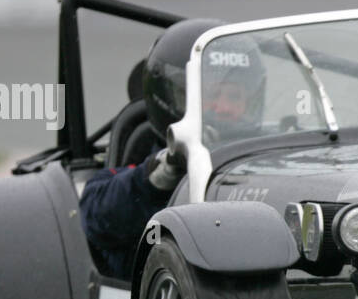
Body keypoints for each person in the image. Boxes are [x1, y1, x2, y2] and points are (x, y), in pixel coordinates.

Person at [79, 18, 266, 279]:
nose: (223, 108)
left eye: (234, 96)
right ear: (173, 97)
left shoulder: (267, 153)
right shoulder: (148, 159)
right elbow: (95, 216)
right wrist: (158, 177)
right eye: (211, 96)